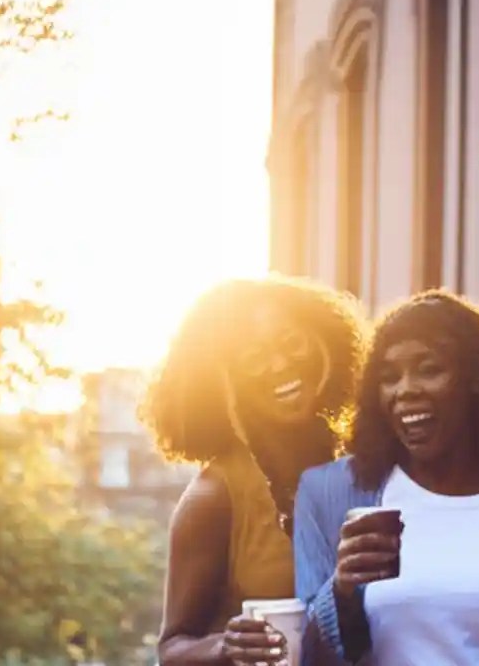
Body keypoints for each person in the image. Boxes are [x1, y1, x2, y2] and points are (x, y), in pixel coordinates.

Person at [293, 291, 479, 665]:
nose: (405, 390)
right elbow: (305, 655)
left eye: (429, 369)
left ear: (477, 383)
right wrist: (342, 592)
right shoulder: (332, 493)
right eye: (389, 377)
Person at [145, 278, 366, 666]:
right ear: (220, 381)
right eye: (252, 358)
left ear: (324, 341)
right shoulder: (215, 497)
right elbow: (172, 648)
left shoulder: (369, 463)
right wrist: (224, 647)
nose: (280, 364)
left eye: (292, 343)